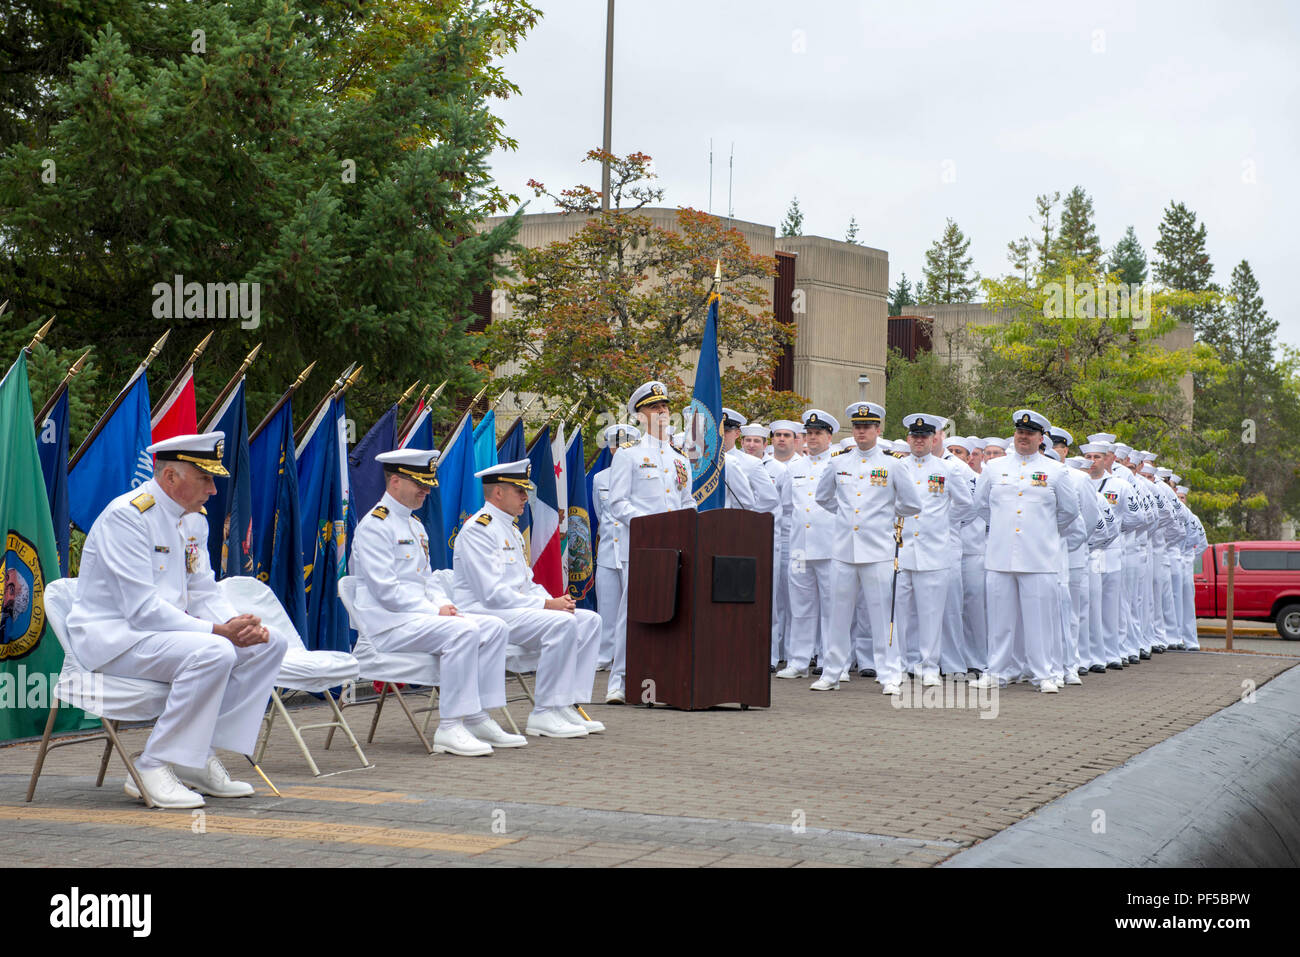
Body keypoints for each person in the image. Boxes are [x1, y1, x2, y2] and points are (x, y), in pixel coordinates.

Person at [66, 432, 288, 808]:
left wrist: (239, 625)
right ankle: (152, 765)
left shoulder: (192, 522)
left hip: (158, 638)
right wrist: (220, 632)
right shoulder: (128, 517)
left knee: (270, 643)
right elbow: (141, 610)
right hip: (115, 640)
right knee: (215, 652)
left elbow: (203, 591)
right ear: (171, 478)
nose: (214, 490)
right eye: (205, 478)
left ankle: (195, 757)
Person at [350, 448, 522, 757]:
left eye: (428, 484)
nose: (426, 491)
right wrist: (436, 611)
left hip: (416, 619)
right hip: (386, 624)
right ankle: (450, 727)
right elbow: (385, 590)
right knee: (463, 632)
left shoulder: (415, 526)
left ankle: (478, 715)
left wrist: (445, 605)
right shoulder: (375, 525)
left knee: (494, 627)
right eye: (420, 483)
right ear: (395, 483)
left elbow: (427, 581)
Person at [453, 459, 604, 736]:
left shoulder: (510, 529)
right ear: (498, 493)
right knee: (562, 624)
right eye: (519, 491)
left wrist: (556, 602)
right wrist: (548, 606)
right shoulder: (479, 529)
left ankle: (567, 704)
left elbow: (527, 584)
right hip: (484, 613)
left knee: (588, 620)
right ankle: (544, 711)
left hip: (512, 611)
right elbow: (492, 593)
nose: (525, 497)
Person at [813, 402, 923, 693]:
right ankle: (832, 672)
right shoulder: (838, 462)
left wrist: (885, 515)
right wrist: (846, 516)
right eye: (857, 427)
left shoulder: (892, 464)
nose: (861, 432)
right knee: (837, 614)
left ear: (878, 430)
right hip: (844, 550)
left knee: (882, 615)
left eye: (867, 427)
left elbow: (912, 503)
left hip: (877, 551)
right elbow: (823, 497)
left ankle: (889, 673)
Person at [971, 411, 1083, 693]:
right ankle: (996, 671)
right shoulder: (994, 468)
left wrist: (1042, 531)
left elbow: (1068, 512)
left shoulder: (1056, 471)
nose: (1023, 437)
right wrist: (1002, 528)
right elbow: (981, 505)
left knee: (1040, 621)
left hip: (1039, 557)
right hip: (1000, 555)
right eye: (1020, 432)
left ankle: (1043, 673)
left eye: (1030, 433)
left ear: (1040, 438)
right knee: (999, 620)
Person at [601, 381, 696, 703]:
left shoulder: (680, 458)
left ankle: (664, 680)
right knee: (632, 613)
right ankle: (619, 681)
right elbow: (618, 503)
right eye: (654, 409)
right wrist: (651, 526)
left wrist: (690, 522)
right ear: (640, 417)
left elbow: (687, 499)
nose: (662, 413)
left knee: (672, 614)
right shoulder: (629, 455)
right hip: (641, 547)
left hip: (677, 549)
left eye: (665, 408)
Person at [776, 409, 839, 679]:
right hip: (801, 546)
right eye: (809, 433)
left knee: (832, 607)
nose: (812, 438)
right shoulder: (794, 468)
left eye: (818, 434)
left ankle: (832, 661)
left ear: (829, 437)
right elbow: (787, 507)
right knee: (801, 607)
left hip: (831, 547)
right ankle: (798, 661)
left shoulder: (838, 464)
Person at [592, 424, 640, 670]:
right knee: (607, 606)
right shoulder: (600, 478)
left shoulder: (642, 475)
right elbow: (602, 515)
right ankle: (604, 655)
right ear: (610, 447)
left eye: (627, 443)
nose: (620, 448)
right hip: (609, 549)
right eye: (616, 443)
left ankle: (630, 656)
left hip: (633, 548)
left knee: (633, 606)